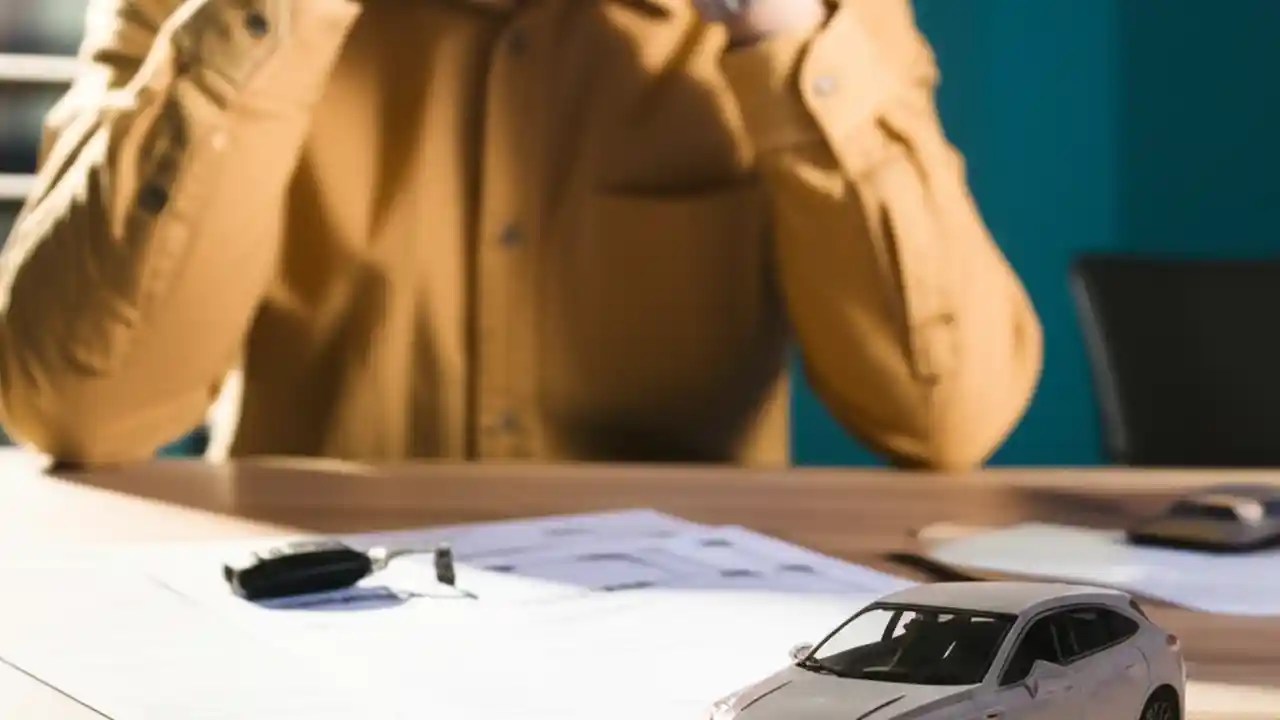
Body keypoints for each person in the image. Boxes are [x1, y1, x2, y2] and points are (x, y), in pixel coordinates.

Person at [0, 0, 1042, 470]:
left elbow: (948, 419)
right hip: (299, 629)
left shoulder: (827, 17)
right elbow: (75, 409)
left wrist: (781, 33)